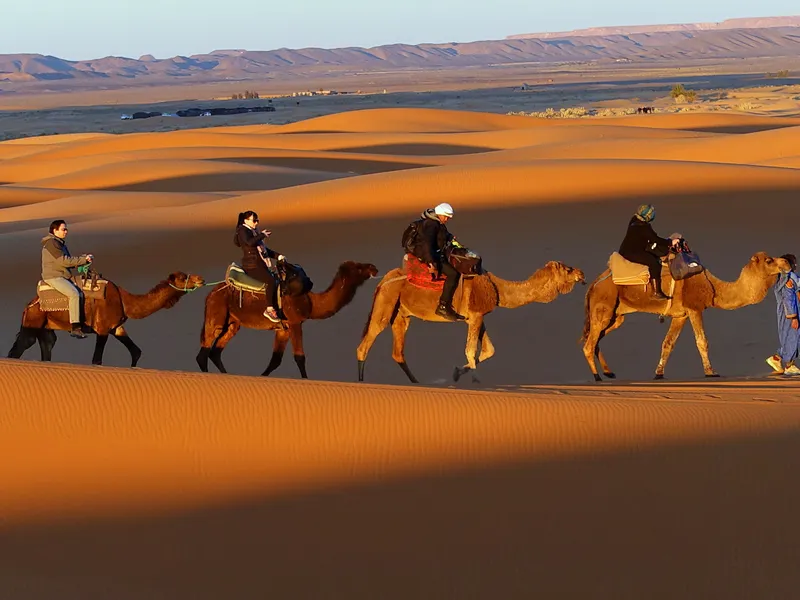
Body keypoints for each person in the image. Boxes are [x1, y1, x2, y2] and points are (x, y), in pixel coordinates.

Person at [410, 202, 464, 321]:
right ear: (440, 214)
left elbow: (443, 236)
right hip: (429, 256)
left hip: (436, 253)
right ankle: (443, 306)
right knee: (453, 274)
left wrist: (451, 239)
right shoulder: (431, 224)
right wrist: (431, 262)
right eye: (446, 216)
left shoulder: (438, 223)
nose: (447, 219)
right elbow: (426, 244)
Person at [41, 219, 93, 338]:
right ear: (55, 231)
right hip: (54, 276)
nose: (66, 231)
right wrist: (83, 260)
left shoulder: (59, 244)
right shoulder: (52, 243)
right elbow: (64, 261)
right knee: (74, 294)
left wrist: (84, 260)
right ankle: (75, 327)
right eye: (63, 229)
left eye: (66, 229)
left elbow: (69, 262)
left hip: (62, 274)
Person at [618, 204, 680, 300]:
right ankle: (656, 292)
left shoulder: (635, 220)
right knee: (654, 263)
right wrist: (670, 242)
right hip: (632, 252)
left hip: (630, 249)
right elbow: (655, 239)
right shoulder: (643, 227)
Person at [234, 211, 285, 322]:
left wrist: (278, 256)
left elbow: (264, 250)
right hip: (252, 266)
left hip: (260, 264)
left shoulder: (253, 232)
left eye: (257, 220)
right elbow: (249, 242)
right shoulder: (243, 231)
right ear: (246, 221)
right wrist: (262, 235)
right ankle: (269, 309)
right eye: (254, 220)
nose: (256, 223)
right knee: (270, 281)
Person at [766, 253, 800, 375]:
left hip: (791, 312)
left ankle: (777, 358)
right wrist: (793, 317)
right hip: (789, 314)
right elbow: (788, 299)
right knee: (792, 337)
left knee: (790, 337)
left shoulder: (787, 278)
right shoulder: (787, 280)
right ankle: (789, 366)